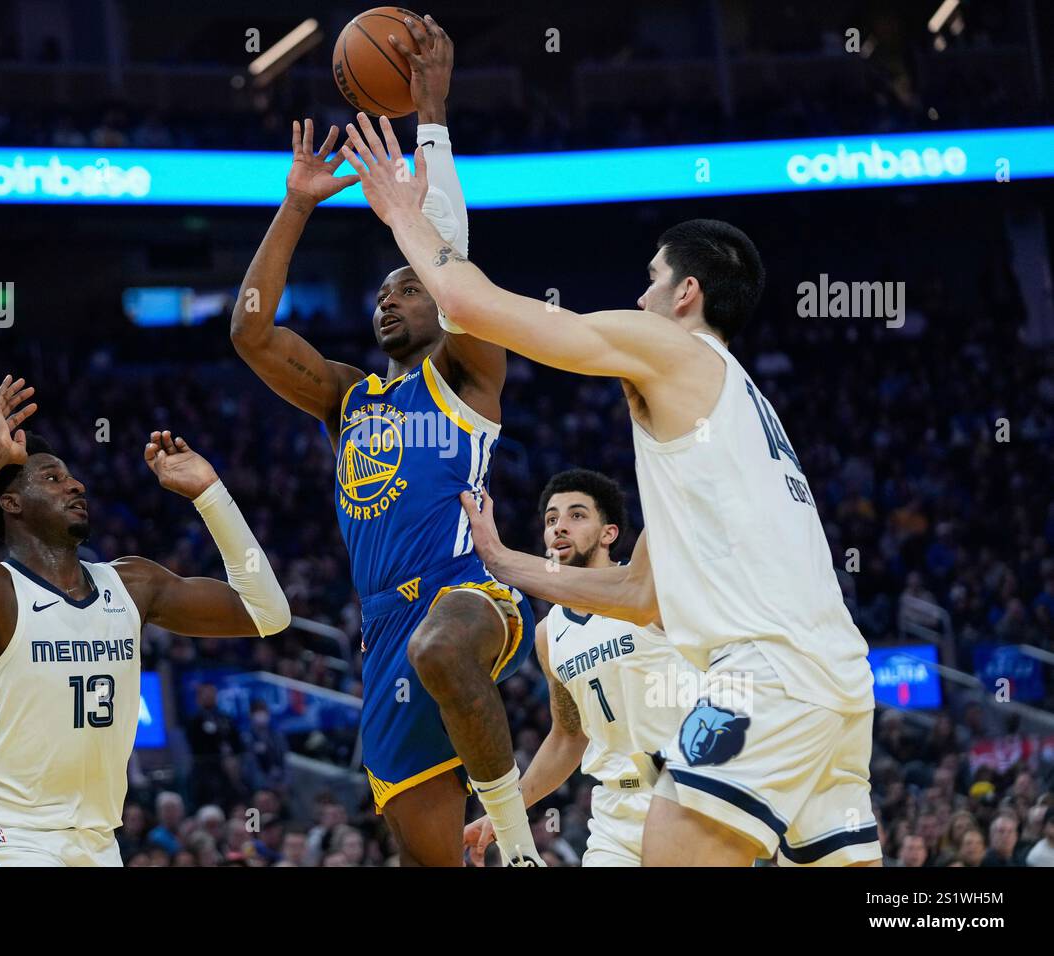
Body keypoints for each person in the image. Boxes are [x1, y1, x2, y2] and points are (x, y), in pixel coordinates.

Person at [342, 115, 878, 866]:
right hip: (840, 686)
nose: (640, 294)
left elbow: (470, 307)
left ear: (687, 293)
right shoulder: (735, 424)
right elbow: (641, 595)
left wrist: (402, 210)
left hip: (768, 679)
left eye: (653, 279)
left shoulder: (676, 348)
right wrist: (506, 561)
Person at [229, 15, 538, 866]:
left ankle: (519, 847)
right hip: (380, 630)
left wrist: (430, 108)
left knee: (444, 645)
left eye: (409, 286)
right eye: (383, 290)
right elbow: (252, 335)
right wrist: (295, 204)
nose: (390, 297)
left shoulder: (469, 377)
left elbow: (454, 268)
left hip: (465, 592)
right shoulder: (348, 398)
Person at [0, 376, 289, 866]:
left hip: (97, 842)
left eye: (71, 476)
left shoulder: (133, 584)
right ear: (11, 503)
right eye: (52, 478)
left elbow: (268, 613)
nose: (75, 484)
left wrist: (210, 494)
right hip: (4, 835)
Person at [463, 470, 699, 866]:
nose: (559, 527)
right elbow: (569, 736)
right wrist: (506, 813)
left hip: (690, 797)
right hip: (613, 811)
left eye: (576, 516)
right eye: (552, 519)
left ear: (608, 534)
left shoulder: (653, 593)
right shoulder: (547, 634)